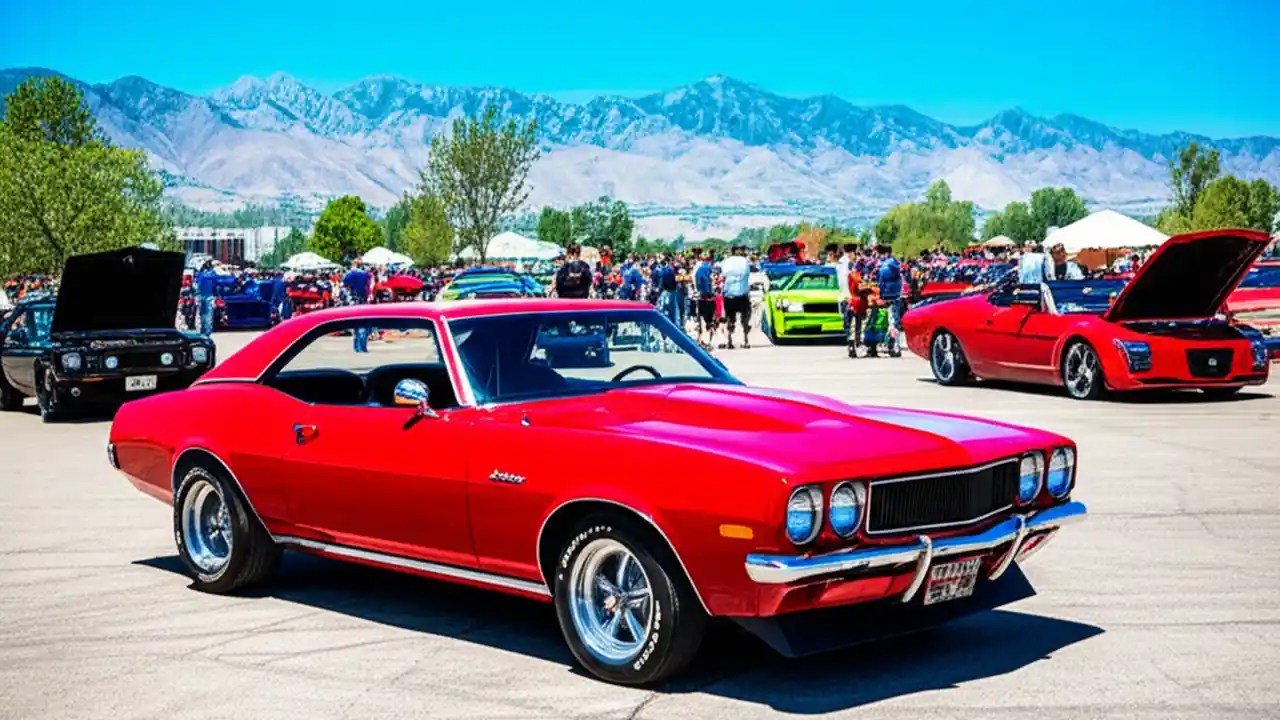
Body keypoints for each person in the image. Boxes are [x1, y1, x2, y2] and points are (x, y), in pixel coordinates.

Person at [720, 245, 752, 349]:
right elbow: (747, 273)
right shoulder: (745, 261)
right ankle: (746, 340)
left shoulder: (727, 262)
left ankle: (729, 340)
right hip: (742, 294)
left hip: (729, 294)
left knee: (730, 317)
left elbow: (723, 274)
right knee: (745, 317)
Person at [875, 245, 903, 357]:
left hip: (886, 296)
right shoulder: (895, 264)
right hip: (895, 295)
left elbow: (881, 282)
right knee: (894, 321)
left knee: (887, 321)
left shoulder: (883, 266)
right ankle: (895, 345)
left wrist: (880, 295)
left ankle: (891, 345)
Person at [343, 261, 372, 353]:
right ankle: (362, 347)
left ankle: (357, 347)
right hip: (363, 300)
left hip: (353, 301)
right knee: (363, 324)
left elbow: (345, 282)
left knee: (355, 324)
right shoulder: (365, 275)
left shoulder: (351, 275)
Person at [692, 253, 716, 348]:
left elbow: (697, 283)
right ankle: (710, 340)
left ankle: (701, 339)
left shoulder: (698, 270)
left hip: (701, 297)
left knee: (701, 318)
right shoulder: (711, 269)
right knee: (710, 319)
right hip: (711, 296)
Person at [194, 261, 218, 338]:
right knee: (203, 315)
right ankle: (203, 332)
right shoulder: (200, 273)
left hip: (206, 296)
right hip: (203, 296)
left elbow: (214, 284)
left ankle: (204, 333)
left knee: (205, 315)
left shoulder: (201, 274)